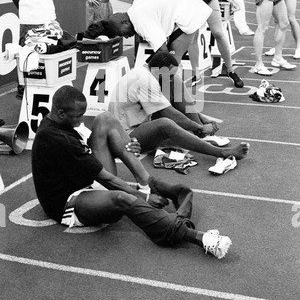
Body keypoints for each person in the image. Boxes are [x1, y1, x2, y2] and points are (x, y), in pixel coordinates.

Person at [31, 85, 234, 260]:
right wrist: (143, 197)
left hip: (82, 181)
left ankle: (146, 181)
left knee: (105, 119)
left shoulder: (59, 124)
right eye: (78, 116)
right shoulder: (58, 139)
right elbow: (105, 177)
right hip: (67, 202)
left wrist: (130, 145)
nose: (81, 120)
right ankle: (196, 236)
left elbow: (92, 144)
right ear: (61, 114)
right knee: (123, 198)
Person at [108, 51, 250, 165]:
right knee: (166, 124)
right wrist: (198, 127)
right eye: (169, 74)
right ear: (161, 69)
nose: (170, 78)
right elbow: (167, 112)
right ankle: (221, 153)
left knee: (175, 83)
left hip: (139, 123)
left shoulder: (145, 72)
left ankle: (200, 134)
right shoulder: (146, 81)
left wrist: (201, 119)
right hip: (126, 137)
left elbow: (165, 105)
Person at [107, 0, 212, 71]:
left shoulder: (140, 22)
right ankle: (195, 78)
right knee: (171, 60)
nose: (126, 36)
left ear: (124, 22)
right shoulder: (134, 11)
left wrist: (147, 69)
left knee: (170, 64)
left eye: (123, 33)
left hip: (187, 11)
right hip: (190, 3)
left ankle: (174, 97)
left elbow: (163, 51)